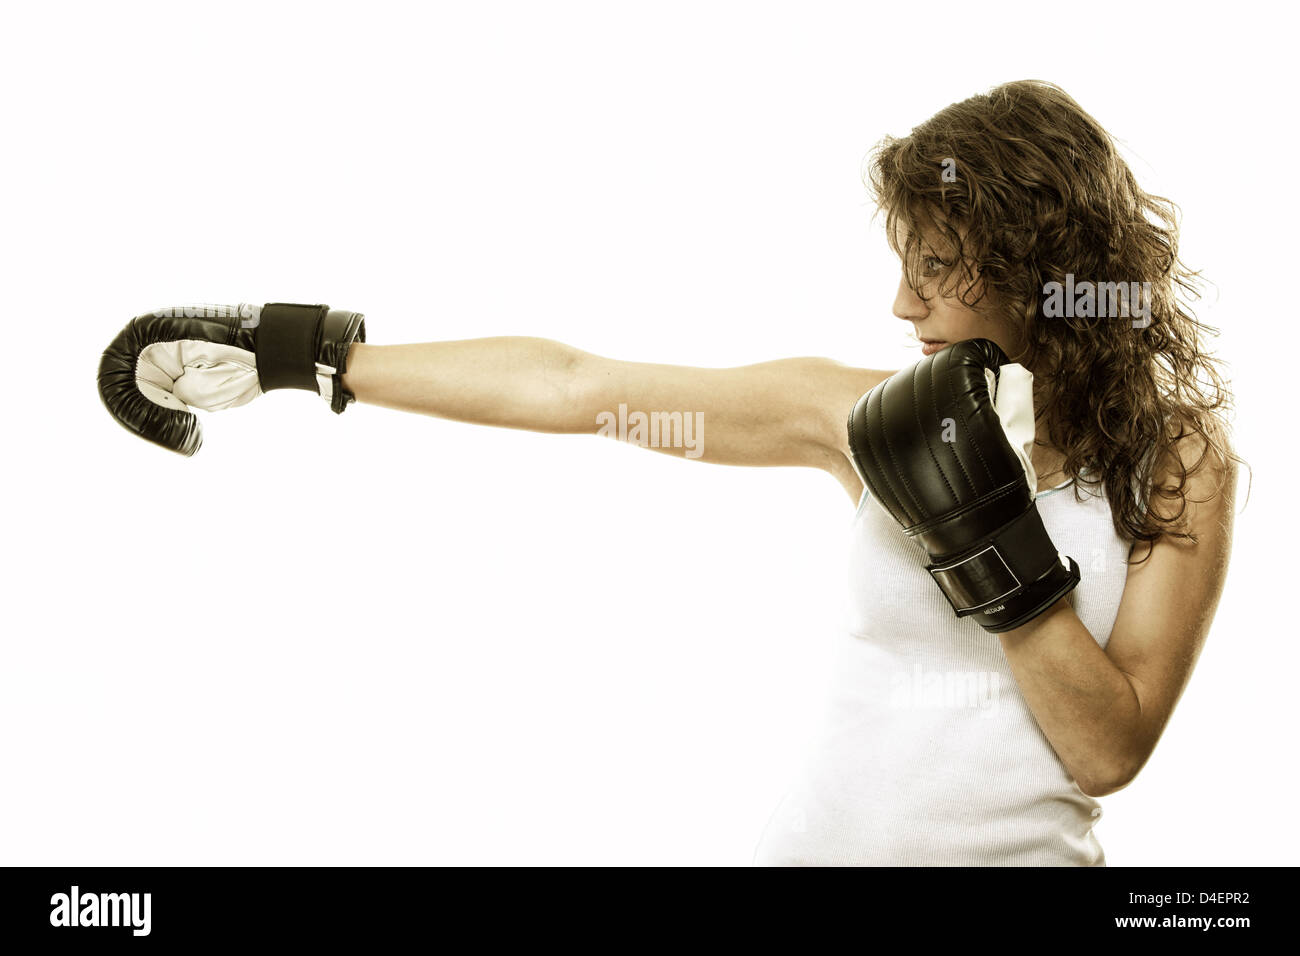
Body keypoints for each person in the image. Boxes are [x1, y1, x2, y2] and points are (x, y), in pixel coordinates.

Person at [98, 80, 1238, 866]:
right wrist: (305, 352)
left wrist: (983, 527)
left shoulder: (1176, 461)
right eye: (903, 267)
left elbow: (1108, 747)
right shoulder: (860, 415)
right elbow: (580, 385)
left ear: (1040, 268)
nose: (900, 306)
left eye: (936, 270)